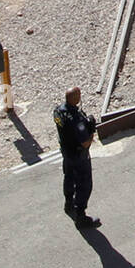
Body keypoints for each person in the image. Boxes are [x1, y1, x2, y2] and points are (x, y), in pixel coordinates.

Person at [53, 86, 100, 228]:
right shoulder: (77, 120)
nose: (80, 96)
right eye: (78, 94)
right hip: (79, 155)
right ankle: (80, 216)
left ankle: (68, 204)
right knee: (84, 184)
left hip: (66, 153)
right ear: (74, 98)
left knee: (69, 177)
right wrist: (91, 131)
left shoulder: (58, 111)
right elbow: (85, 143)